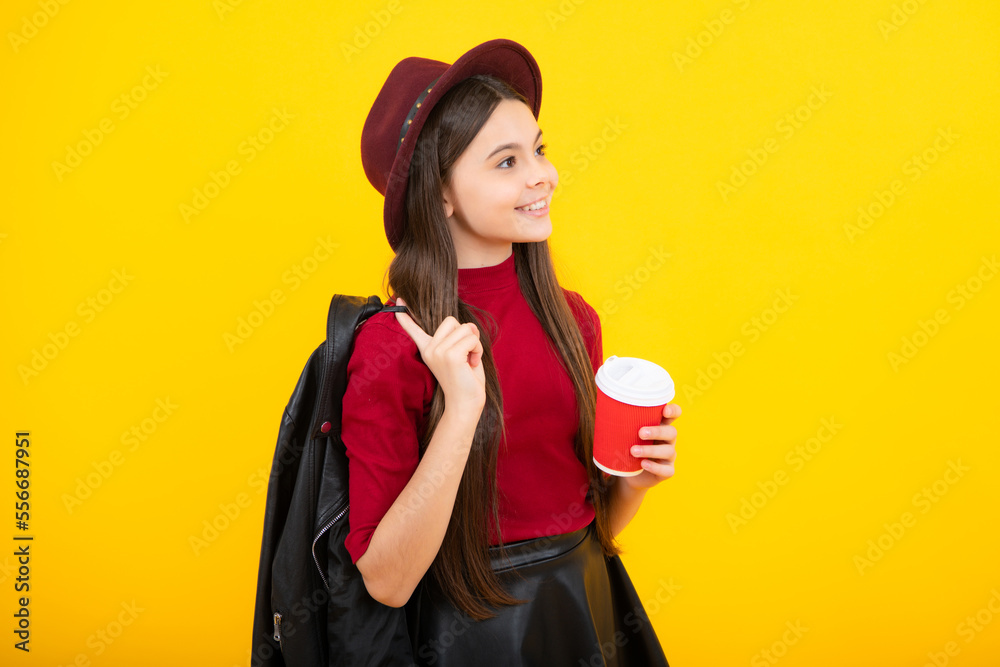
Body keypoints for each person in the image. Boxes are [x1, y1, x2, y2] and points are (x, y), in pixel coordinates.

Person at [343, 37, 681, 666]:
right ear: (439, 193)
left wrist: (634, 483)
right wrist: (463, 406)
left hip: (584, 609)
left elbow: (583, 526)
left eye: (540, 149)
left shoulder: (572, 319)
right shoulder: (394, 348)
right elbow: (386, 583)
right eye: (506, 162)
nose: (542, 175)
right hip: (469, 641)